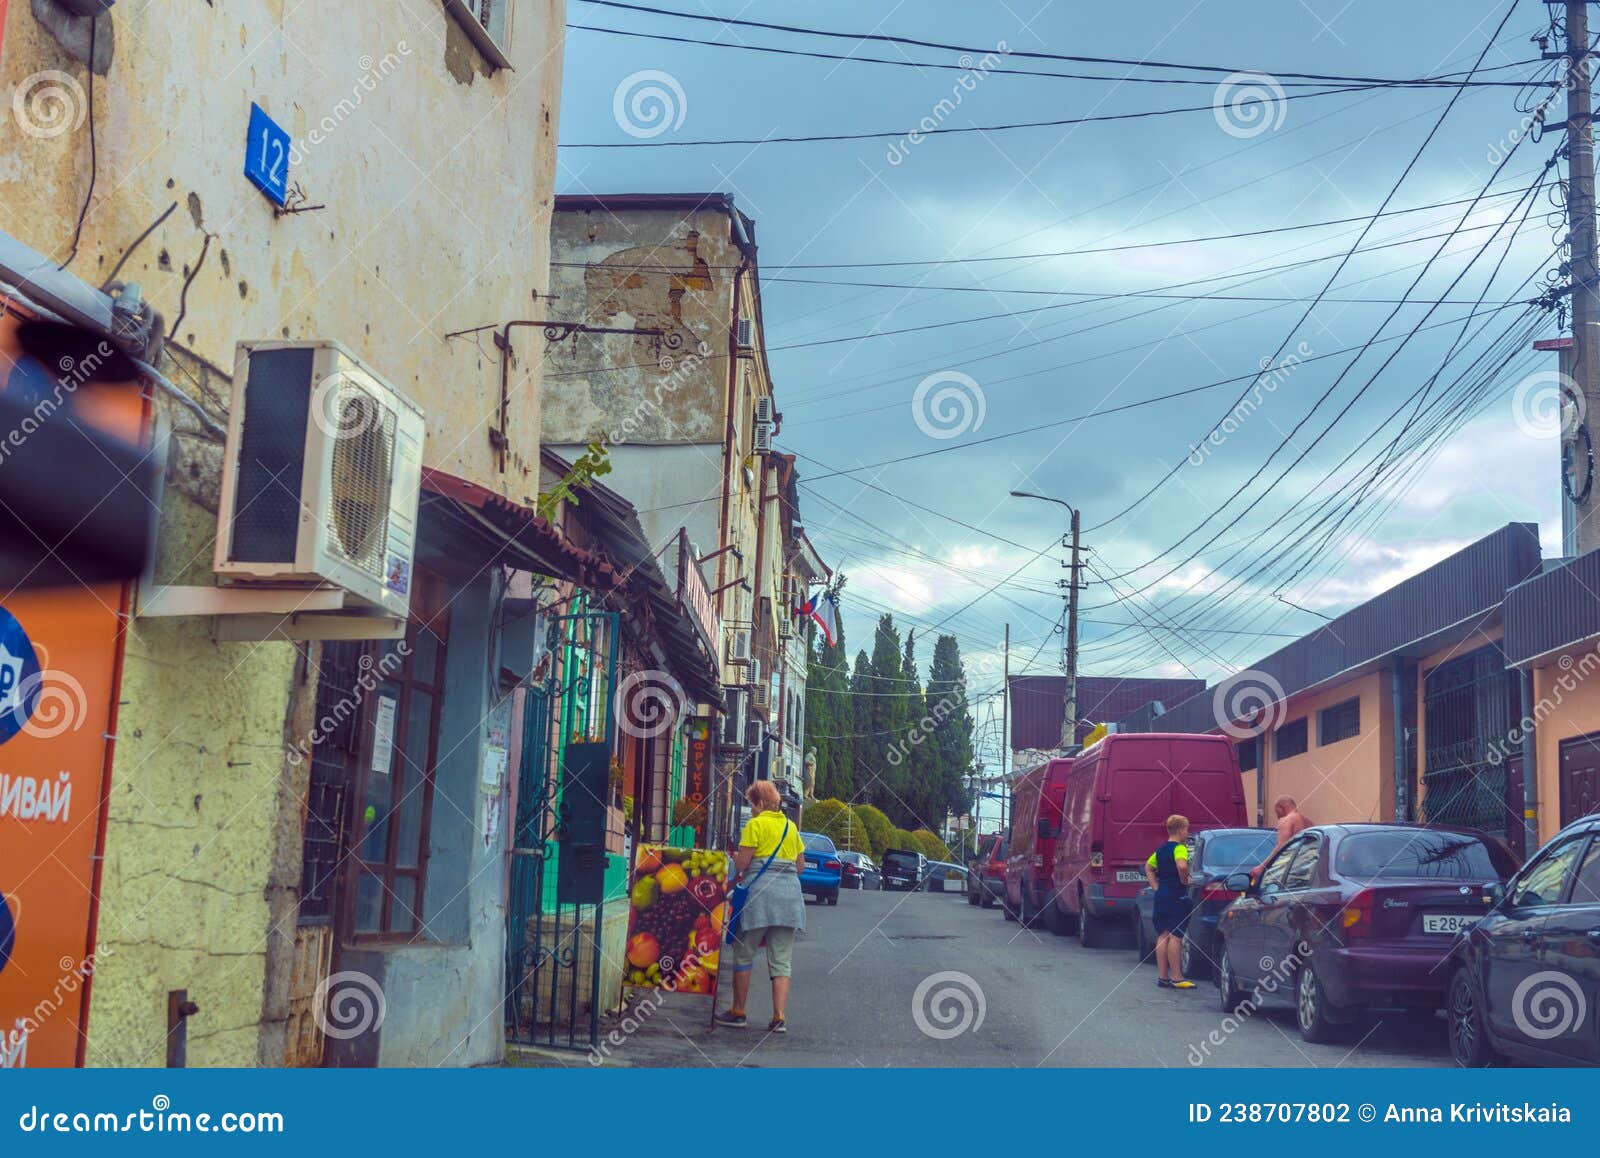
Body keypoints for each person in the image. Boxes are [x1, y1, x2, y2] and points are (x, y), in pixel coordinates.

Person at [715, 781, 806, 1034]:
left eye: (752, 804)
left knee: (744, 954)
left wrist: (735, 860)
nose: (751, 809)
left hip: (759, 898)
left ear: (760, 803)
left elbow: (743, 864)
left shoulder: (754, 825)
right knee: (782, 960)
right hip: (789, 900)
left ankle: (738, 1012)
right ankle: (779, 1017)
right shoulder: (791, 827)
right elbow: (800, 867)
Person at [1145, 814, 1196, 990]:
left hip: (1162, 894)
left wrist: (1155, 886)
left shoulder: (1160, 850)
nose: (1187, 833)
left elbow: (1148, 867)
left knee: (1163, 934)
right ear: (1181, 830)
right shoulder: (1179, 848)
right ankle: (1177, 977)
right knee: (1176, 935)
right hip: (1176, 894)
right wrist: (1185, 880)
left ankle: (1162, 977)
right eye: (1186, 829)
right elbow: (1182, 866)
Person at [1253, 795, 1312, 879]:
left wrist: (1262, 867)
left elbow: (1281, 846)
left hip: (1290, 870)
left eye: (1276, 811)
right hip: (1306, 868)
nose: (1277, 815)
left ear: (1280, 807)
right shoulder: (1307, 821)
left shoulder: (1286, 820)